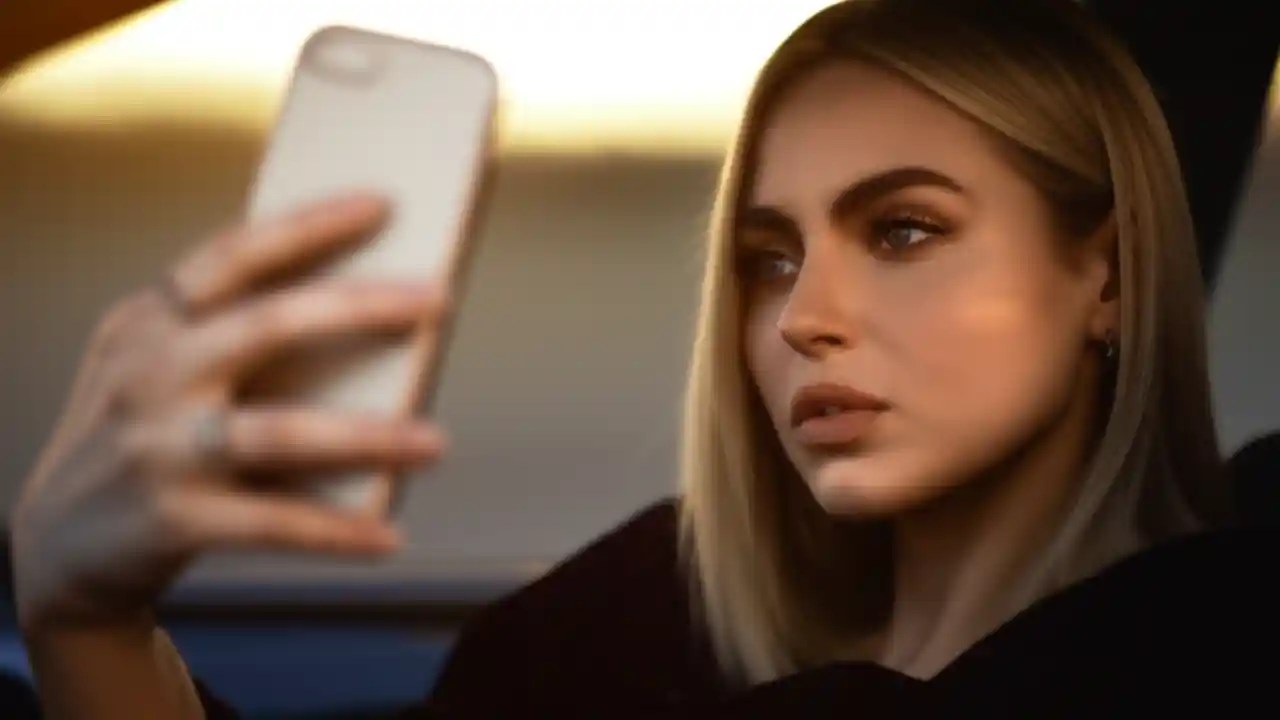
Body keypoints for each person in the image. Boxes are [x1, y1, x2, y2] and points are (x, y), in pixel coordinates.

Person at [7, 0, 1277, 717]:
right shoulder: (615, 636)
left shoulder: (1215, 648)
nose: (800, 318)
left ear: (1102, 275)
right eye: (766, 257)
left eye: (901, 231)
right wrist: (88, 619)